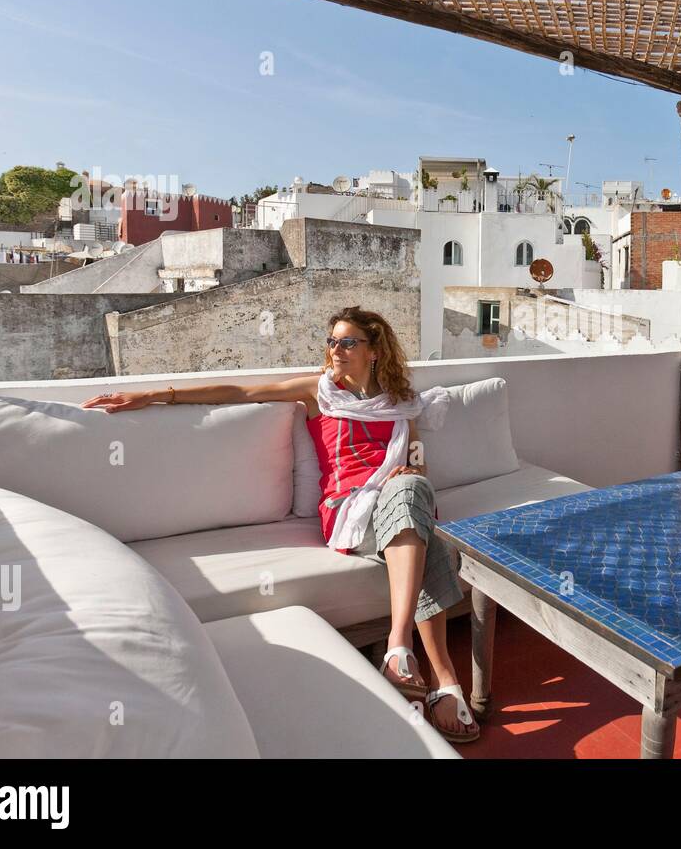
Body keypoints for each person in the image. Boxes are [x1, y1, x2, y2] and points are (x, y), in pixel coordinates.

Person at [82, 306, 478, 743]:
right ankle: (430, 667)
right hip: (349, 509)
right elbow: (242, 391)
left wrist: (410, 474)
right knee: (422, 528)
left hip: (398, 504)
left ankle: (406, 658)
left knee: (414, 499)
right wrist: (158, 395)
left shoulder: (401, 405)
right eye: (332, 342)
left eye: (348, 342)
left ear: (375, 351)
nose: (336, 351)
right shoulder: (319, 392)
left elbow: (417, 462)